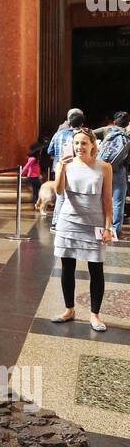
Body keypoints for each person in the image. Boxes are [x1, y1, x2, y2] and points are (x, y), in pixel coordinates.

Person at [52, 126, 113, 332]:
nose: (79, 146)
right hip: (68, 221)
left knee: (96, 268)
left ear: (93, 145)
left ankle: (95, 314)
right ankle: (69, 309)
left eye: (84, 143)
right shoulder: (66, 165)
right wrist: (60, 168)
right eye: (76, 143)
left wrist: (108, 227)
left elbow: (107, 199)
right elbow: (59, 191)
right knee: (67, 267)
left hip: (94, 223)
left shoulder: (104, 167)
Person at [93, 111, 130, 240]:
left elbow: (90, 133)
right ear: (127, 124)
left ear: (114, 122)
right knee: (118, 202)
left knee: (100, 198)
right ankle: (115, 231)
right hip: (119, 171)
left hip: (103, 168)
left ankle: (100, 226)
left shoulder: (107, 129)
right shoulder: (127, 135)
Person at [47, 108, 85, 230]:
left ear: (68, 122)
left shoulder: (58, 134)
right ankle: (73, 222)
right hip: (76, 170)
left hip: (59, 168)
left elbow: (49, 151)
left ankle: (56, 222)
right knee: (75, 196)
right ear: (82, 123)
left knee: (60, 197)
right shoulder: (81, 136)